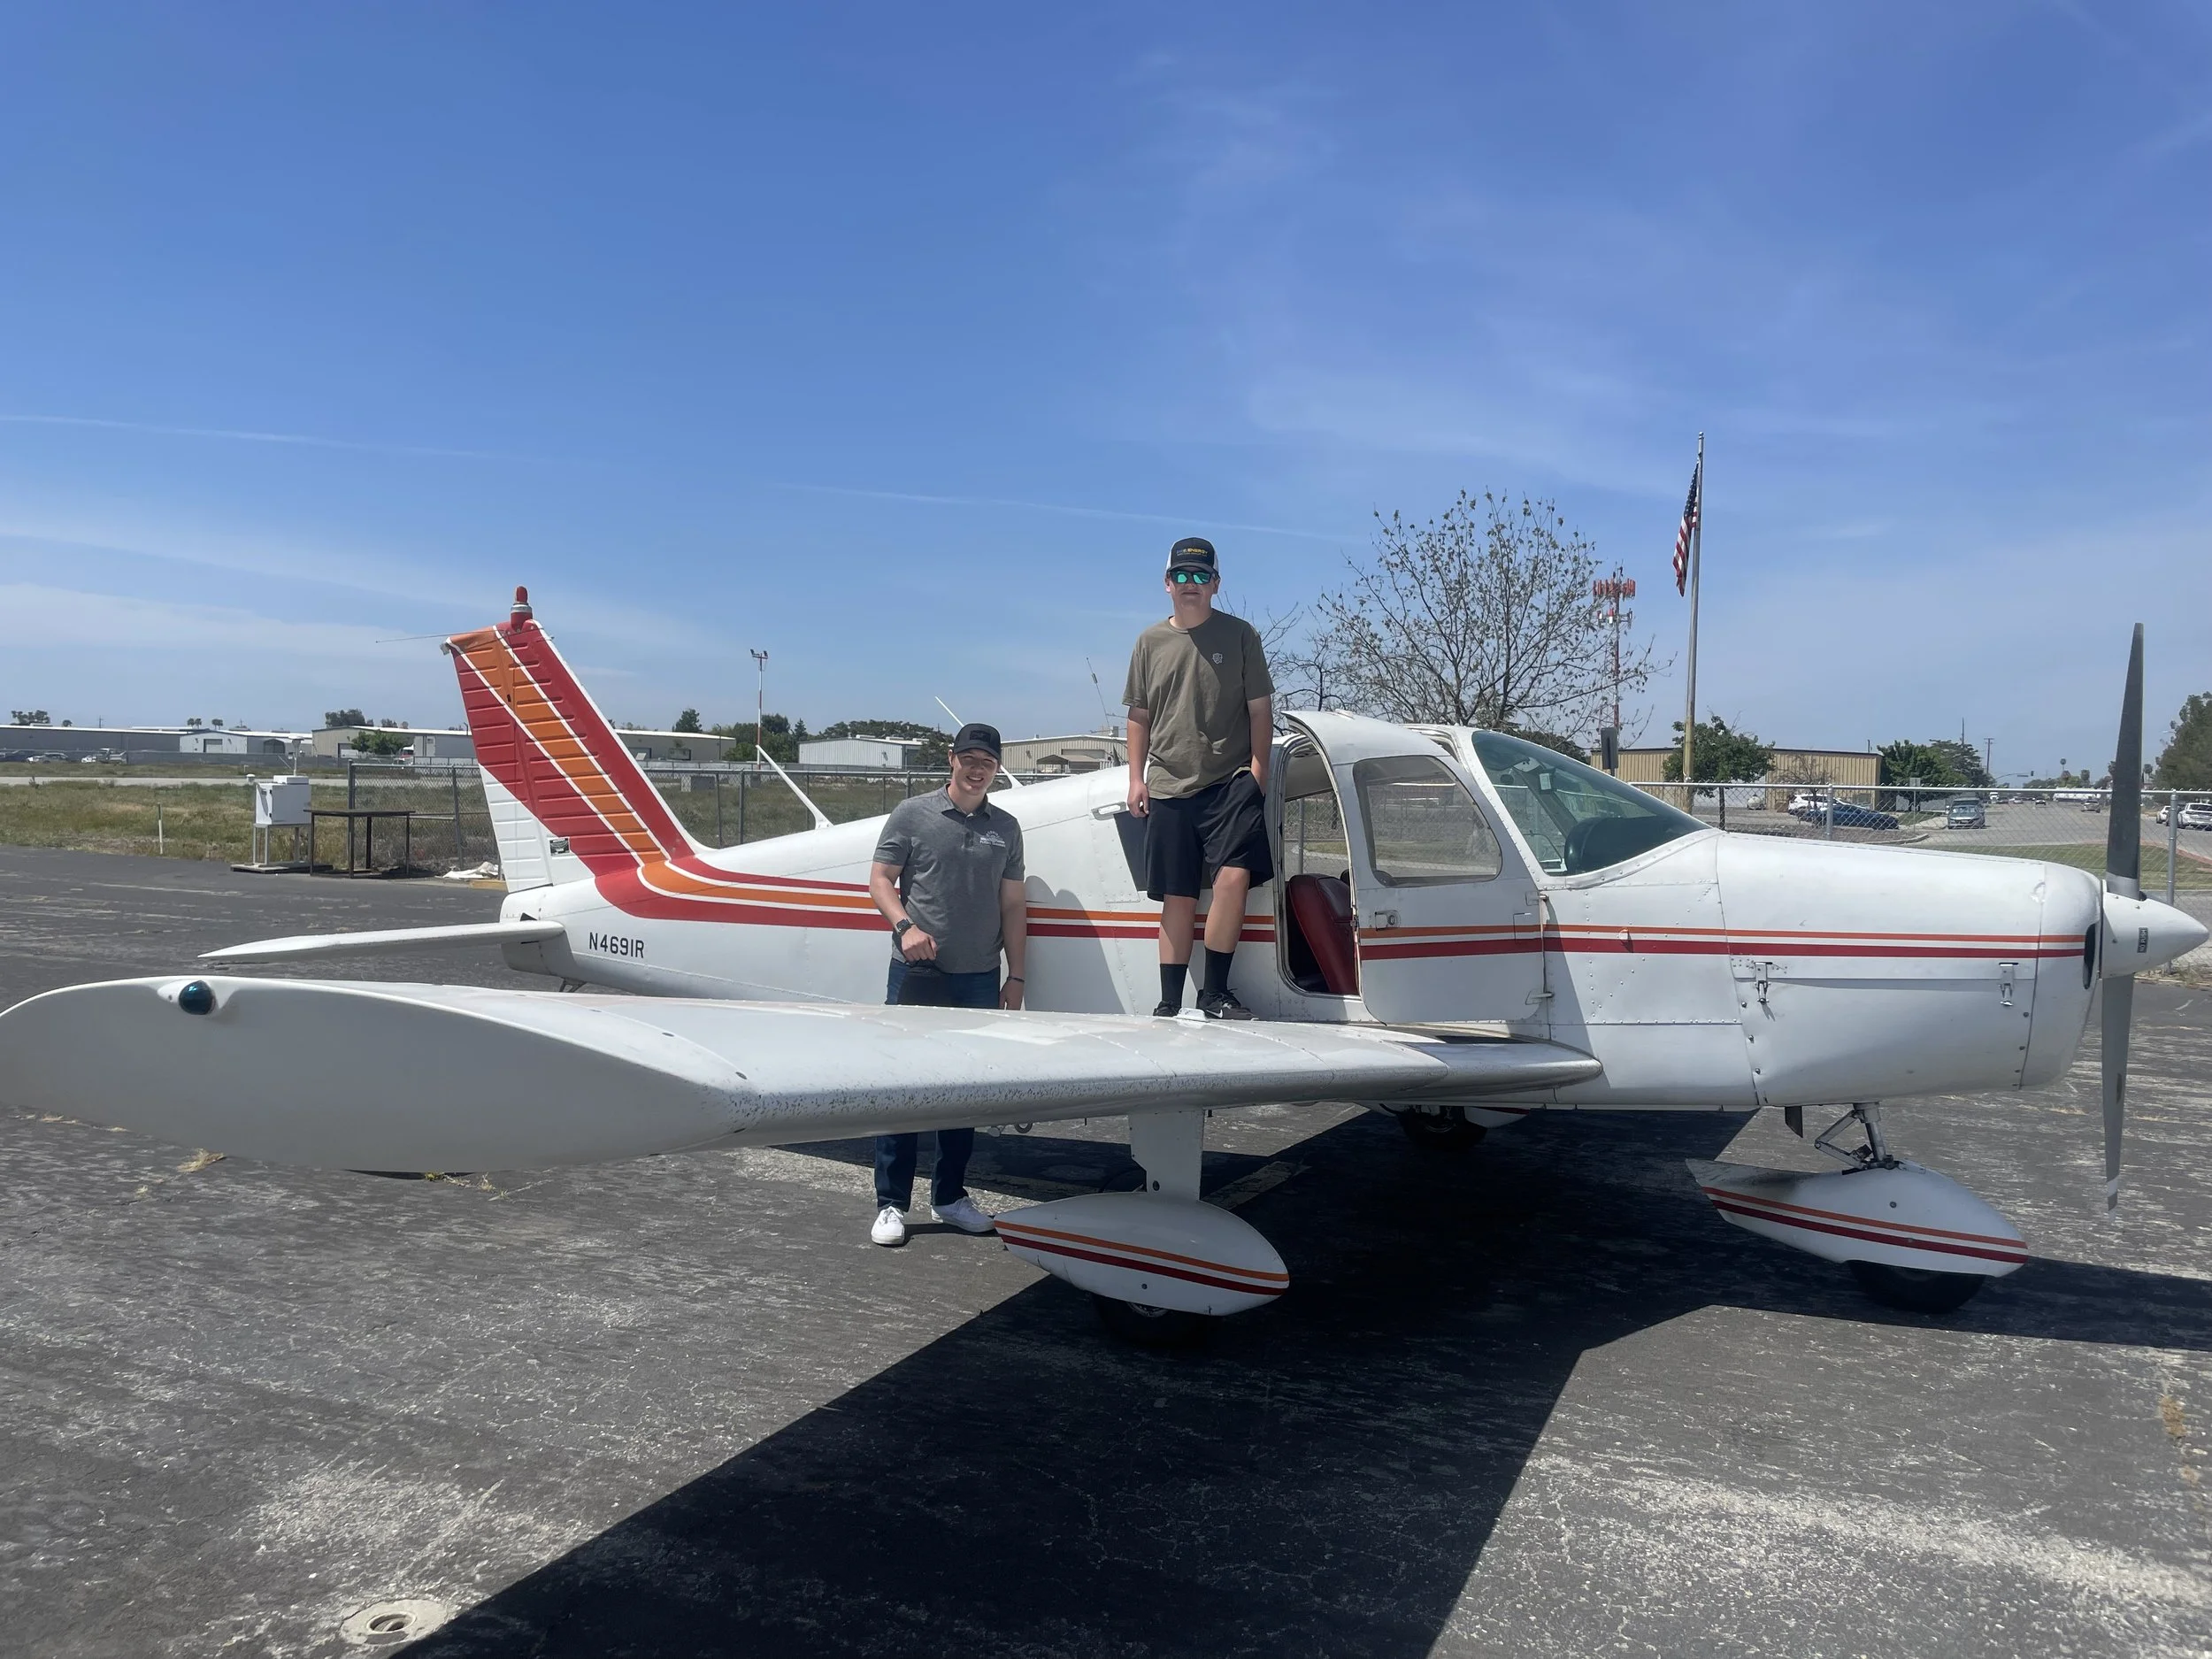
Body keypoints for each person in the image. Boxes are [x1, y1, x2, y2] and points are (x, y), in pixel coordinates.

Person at [864, 722, 1028, 1247]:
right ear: (951, 759)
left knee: (964, 1091)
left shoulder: (1007, 827)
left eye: (988, 762)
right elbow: (879, 881)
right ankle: (891, 1203)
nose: (978, 769)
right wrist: (904, 927)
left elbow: (1012, 905)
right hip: (918, 972)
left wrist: (1016, 974)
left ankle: (950, 1196)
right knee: (903, 1088)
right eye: (970, 759)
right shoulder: (912, 813)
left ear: (997, 769)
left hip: (979, 976)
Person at [1123, 536, 1274, 1019]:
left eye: (1201, 576)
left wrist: (1258, 772)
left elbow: (1260, 709)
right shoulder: (1149, 642)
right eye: (1182, 576)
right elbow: (1138, 716)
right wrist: (1136, 778)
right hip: (1168, 783)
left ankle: (1215, 993)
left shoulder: (1241, 635)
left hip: (1230, 781)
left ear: (1215, 584)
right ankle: (1169, 1002)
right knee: (1178, 894)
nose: (1191, 585)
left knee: (1233, 878)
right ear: (1168, 584)